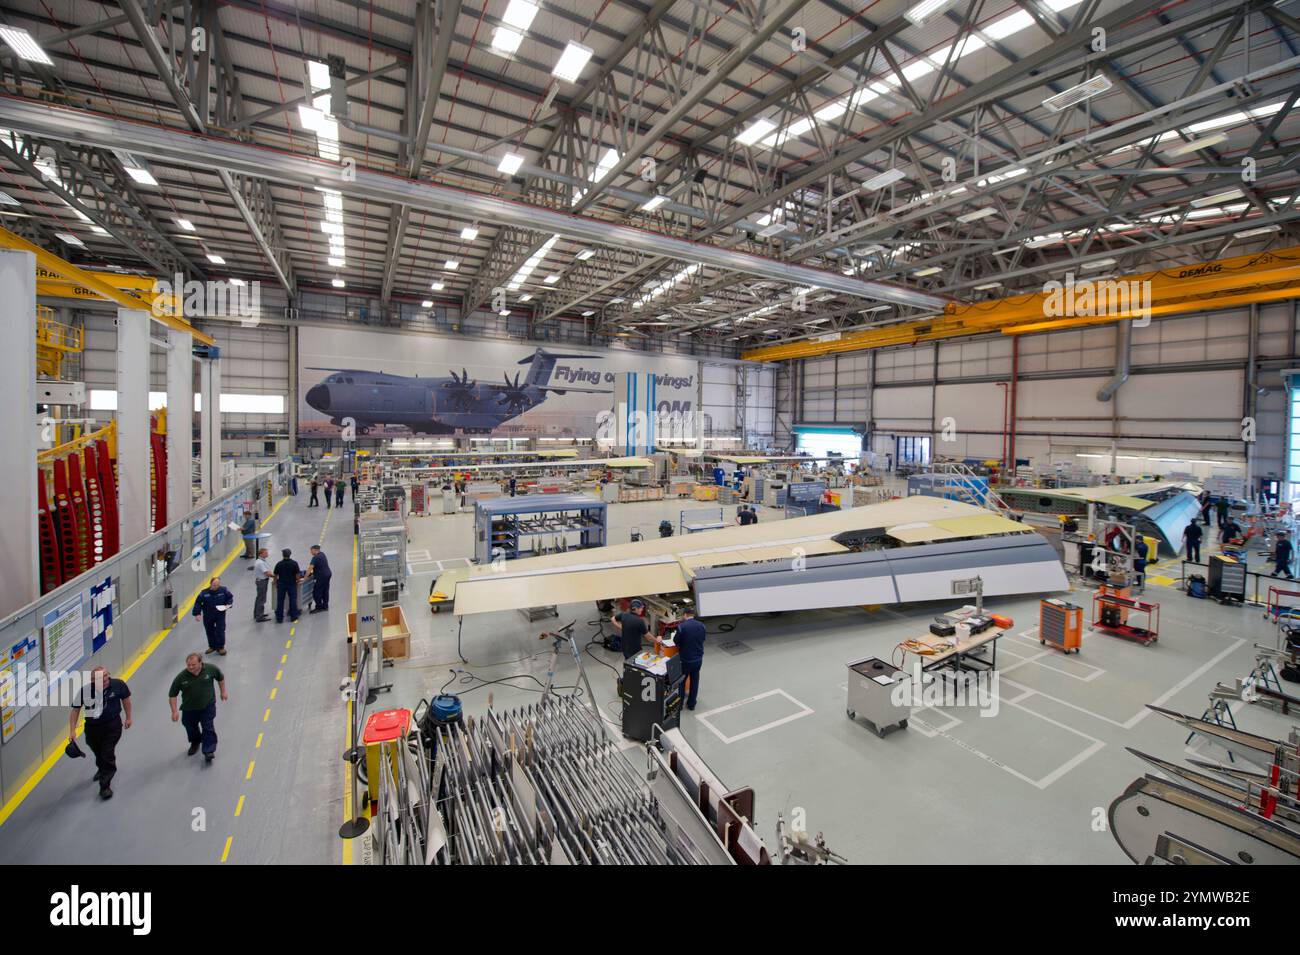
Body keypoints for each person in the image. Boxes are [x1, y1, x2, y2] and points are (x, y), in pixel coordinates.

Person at [68, 666, 131, 800]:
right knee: (98, 752)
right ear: (92, 681)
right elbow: (75, 710)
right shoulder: (85, 691)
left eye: (106, 676)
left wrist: (128, 717)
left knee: (107, 753)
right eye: (100, 678)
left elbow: (126, 700)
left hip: (112, 726)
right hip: (92, 728)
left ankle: (105, 786)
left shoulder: (118, 685)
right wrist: (72, 730)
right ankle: (101, 768)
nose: (104, 680)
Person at [168, 652, 226, 763]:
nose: (190, 667)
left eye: (193, 665)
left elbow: (220, 678)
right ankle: (195, 741)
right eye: (188, 665)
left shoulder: (210, 669)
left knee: (207, 726)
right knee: (189, 726)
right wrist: (174, 711)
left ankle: (209, 750)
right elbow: (172, 695)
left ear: (200, 663)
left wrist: (223, 692)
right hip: (189, 709)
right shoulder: (181, 677)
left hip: (207, 706)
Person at [674, 610, 707, 711]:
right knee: (695, 680)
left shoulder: (682, 627)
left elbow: (676, 641)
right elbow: (703, 639)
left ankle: (679, 705)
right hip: (698, 659)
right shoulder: (702, 625)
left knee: (682, 682)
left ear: (685, 615)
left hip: (686, 660)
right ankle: (691, 704)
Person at [192, 576, 234, 656]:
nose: (216, 587)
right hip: (208, 615)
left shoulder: (223, 590)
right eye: (214, 585)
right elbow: (198, 603)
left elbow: (230, 597)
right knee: (209, 631)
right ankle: (212, 646)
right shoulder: (204, 593)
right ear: (210, 584)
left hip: (220, 614)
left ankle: (221, 647)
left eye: (217, 585)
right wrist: (197, 613)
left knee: (220, 630)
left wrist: (228, 604)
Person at [273, 548, 303, 623]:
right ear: (290, 554)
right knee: (293, 600)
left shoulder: (279, 564)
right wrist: (298, 580)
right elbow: (297, 574)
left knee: (280, 601)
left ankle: (279, 618)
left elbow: (275, 575)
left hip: (281, 584)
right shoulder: (294, 563)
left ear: (283, 555)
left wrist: (275, 582)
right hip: (291, 584)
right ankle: (294, 617)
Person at [307, 544, 332, 613]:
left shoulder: (315, 557)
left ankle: (318, 607)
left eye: (311, 551)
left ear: (315, 550)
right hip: (328, 574)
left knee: (316, 592)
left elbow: (310, 568)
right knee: (325, 591)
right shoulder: (322, 554)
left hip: (321, 577)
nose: (310, 552)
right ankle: (325, 606)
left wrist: (305, 577)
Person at [253, 547, 273, 621]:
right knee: (261, 599)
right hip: (262, 582)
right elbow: (266, 573)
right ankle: (259, 616)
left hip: (261, 581)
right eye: (265, 553)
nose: (267, 554)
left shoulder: (261, 561)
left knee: (259, 598)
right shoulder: (260, 563)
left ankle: (257, 613)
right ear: (261, 554)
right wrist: (275, 577)